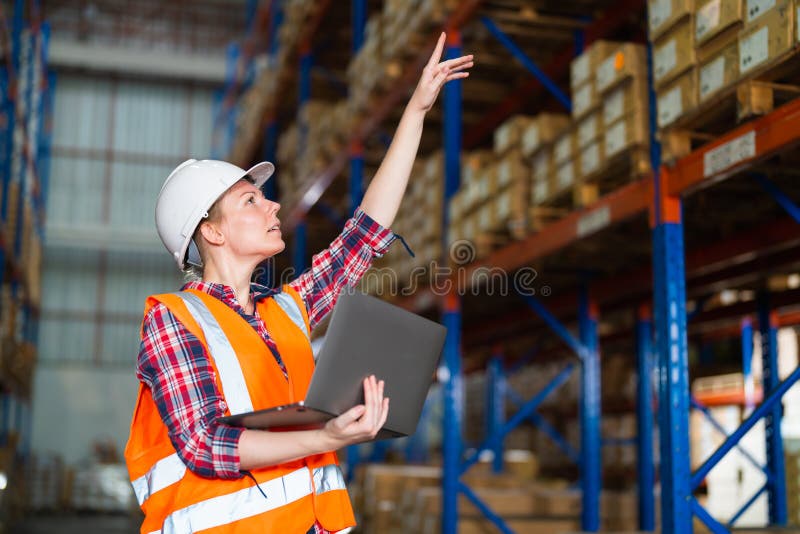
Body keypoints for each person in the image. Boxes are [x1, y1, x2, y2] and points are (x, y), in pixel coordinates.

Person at [124, 33, 472, 533]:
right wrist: (329, 437)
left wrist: (416, 112)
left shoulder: (286, 309)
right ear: (213, 232)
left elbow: (364, 234)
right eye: (250, 201)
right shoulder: (172, 319)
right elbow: (206, 443)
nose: (273, 205)